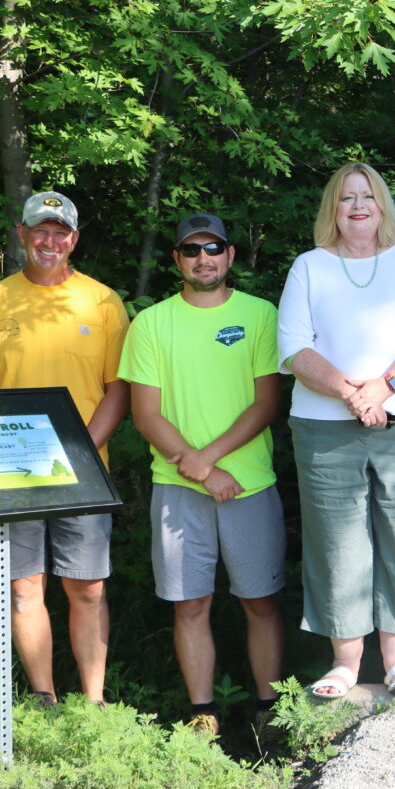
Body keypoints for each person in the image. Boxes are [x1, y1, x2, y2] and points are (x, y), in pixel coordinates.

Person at [0, 191, 129, 706]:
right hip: (11, 471)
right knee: (23, 586)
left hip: (83, 466)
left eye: (60, 232)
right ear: (22, 234)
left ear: (74, 239)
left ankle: (93, 703)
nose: (50, 241)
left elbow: (119, 389)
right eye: (40, 231)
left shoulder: (102, 301)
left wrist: (82, 452)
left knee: (87, 587)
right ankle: (43, 697)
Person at [277, 162, 395, 699]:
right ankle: (345, 663)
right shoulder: (309, 266)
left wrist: (384, 387)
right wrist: (351, 393)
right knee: (337, 543)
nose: (358, 206)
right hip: (324, 425)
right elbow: (294, 348)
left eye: (368, 197)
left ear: (382, 207)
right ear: (333, 208)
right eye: (347, 197)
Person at [120, 213, 286, 738]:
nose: (203, 258)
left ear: (230, 254)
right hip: (178, 486)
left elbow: (266, 402)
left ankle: (268, 711)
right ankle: (203, 715)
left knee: (260, 601)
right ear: (177, 260)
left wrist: (207, 459)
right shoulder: (151, 323)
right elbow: (145, 414)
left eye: (213, 247)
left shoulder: (260, 314)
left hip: (249, 482)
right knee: (190, 604)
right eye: (191, 250)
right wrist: (199, 470)